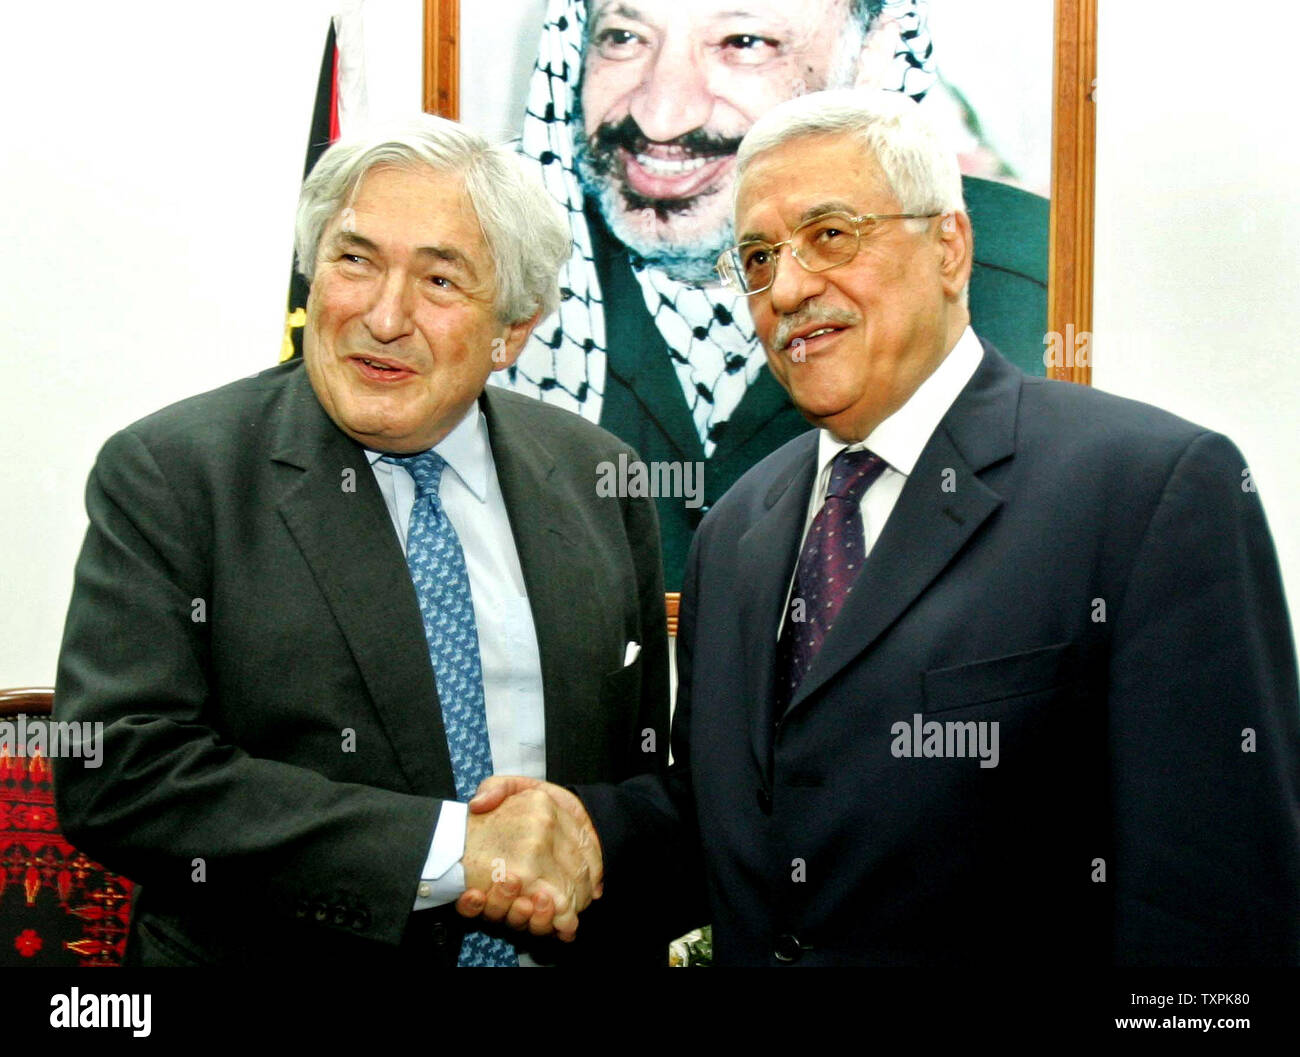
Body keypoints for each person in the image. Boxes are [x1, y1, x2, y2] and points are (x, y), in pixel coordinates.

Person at [462, 88, 1300, 966]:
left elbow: (1216, 915)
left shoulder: (1148, 491)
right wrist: (590, 833)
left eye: (830, 235)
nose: (786, 288)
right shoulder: (736, 530)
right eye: (755, 256)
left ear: (950, 246)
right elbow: (731, 825)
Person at [52, 114, 670, 968]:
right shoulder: (173, 473)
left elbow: (646, 771)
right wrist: (455, 849)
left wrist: (576, 840)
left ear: (513, 330)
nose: (384, 316)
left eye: (441, 279)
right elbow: (122, 775)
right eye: (355, 260)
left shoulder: (604, 478)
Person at [496, 0, 1048, 589]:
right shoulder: (489, 278)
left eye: (743, 42)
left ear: (873, 53)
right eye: (625, 37)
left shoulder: (1035, 275)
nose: (661, 116)